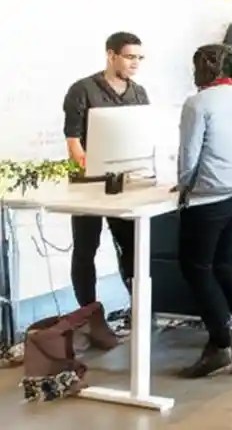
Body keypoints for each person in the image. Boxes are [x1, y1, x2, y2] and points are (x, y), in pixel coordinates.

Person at [175, 44, 232, 378]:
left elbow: (188, 156)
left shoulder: (198, 103)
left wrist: (184, 187)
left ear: (206, 67)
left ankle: (220, 345)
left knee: (196, 268)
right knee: (225, 265)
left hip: (209, 198)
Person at [61, 31, 149, 349]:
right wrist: (91, 169)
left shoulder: (138, 93)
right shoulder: (82, 90)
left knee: (132, 247)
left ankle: (141, 311)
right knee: (86, 249)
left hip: (126, 185)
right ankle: (89, 317)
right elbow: (73, 141)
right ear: (111, 55)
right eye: (129, 57)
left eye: (139, 57)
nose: (135, 63)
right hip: (88, 186)